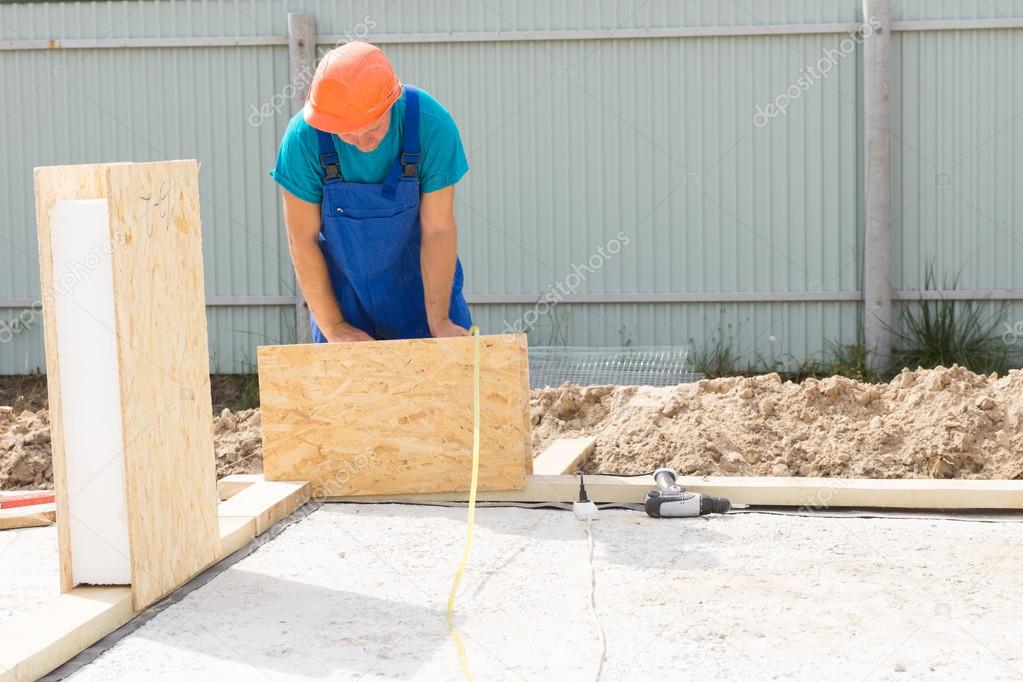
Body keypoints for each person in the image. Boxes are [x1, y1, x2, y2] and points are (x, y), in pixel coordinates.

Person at [271, 41, 472, 342]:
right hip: (343, 303)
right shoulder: (303, 140)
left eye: (373, 128)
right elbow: (302, 240)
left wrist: (440, 321)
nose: (363, 143)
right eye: (348, 133)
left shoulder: (430, 125)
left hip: (425, 296)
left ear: (392, 102)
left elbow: (438, 230)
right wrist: (334, 327)